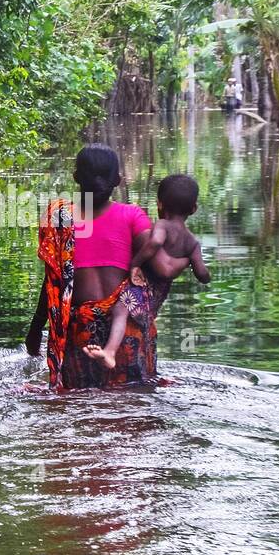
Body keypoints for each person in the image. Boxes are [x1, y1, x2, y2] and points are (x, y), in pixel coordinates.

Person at [26, 143, 158, 389]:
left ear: (76, 177)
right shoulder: (133, 216)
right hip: (127, 332)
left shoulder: (59, 219)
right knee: (131, 395)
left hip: (80, 334)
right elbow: (156, 268)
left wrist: (35, 329)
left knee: (80, 400)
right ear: (118, 180)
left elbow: (54, 285)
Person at [83, 174, 209, 370]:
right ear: (193, 209)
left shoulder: (162, 226)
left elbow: (156, 242)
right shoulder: (193, 243)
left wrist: (135, 263)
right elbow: (202, 274)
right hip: (157, 295)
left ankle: (110, 351)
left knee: (120, 310)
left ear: (159, 204)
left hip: (143, 288)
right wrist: (188, 262)